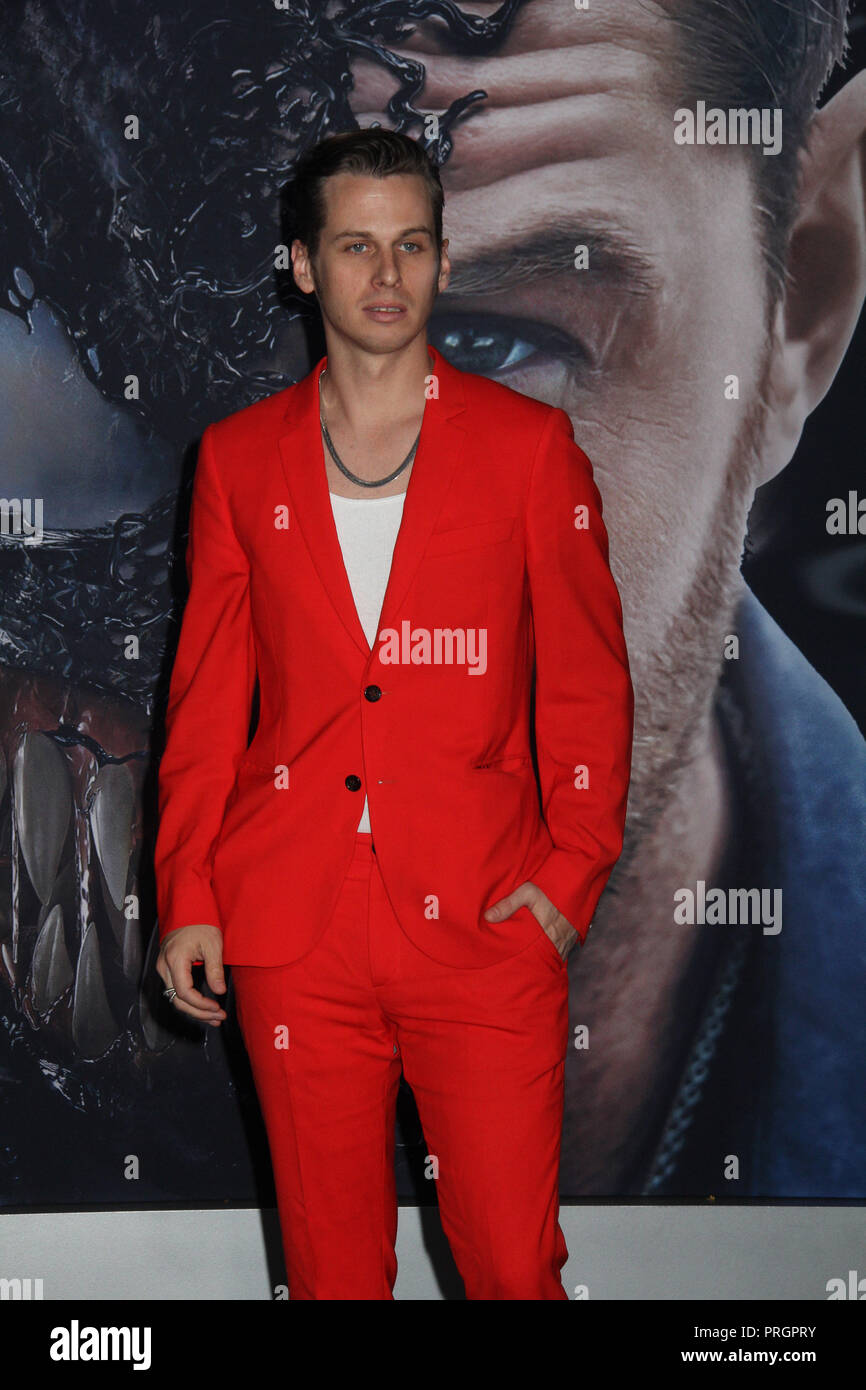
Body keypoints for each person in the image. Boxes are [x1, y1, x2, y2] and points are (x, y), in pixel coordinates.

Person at [153, 127, 634, 1299]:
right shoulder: (235, 462)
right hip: (293, 930)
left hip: (483, 924)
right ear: (302, 267)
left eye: (410, 245)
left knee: (515, 1268)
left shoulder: (530, 454)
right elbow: (207, 699)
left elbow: (586, 684)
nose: (386, 274)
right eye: (356, 246)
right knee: (328, 1273)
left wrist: (568, 878)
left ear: (441, 260)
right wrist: (187, 892)